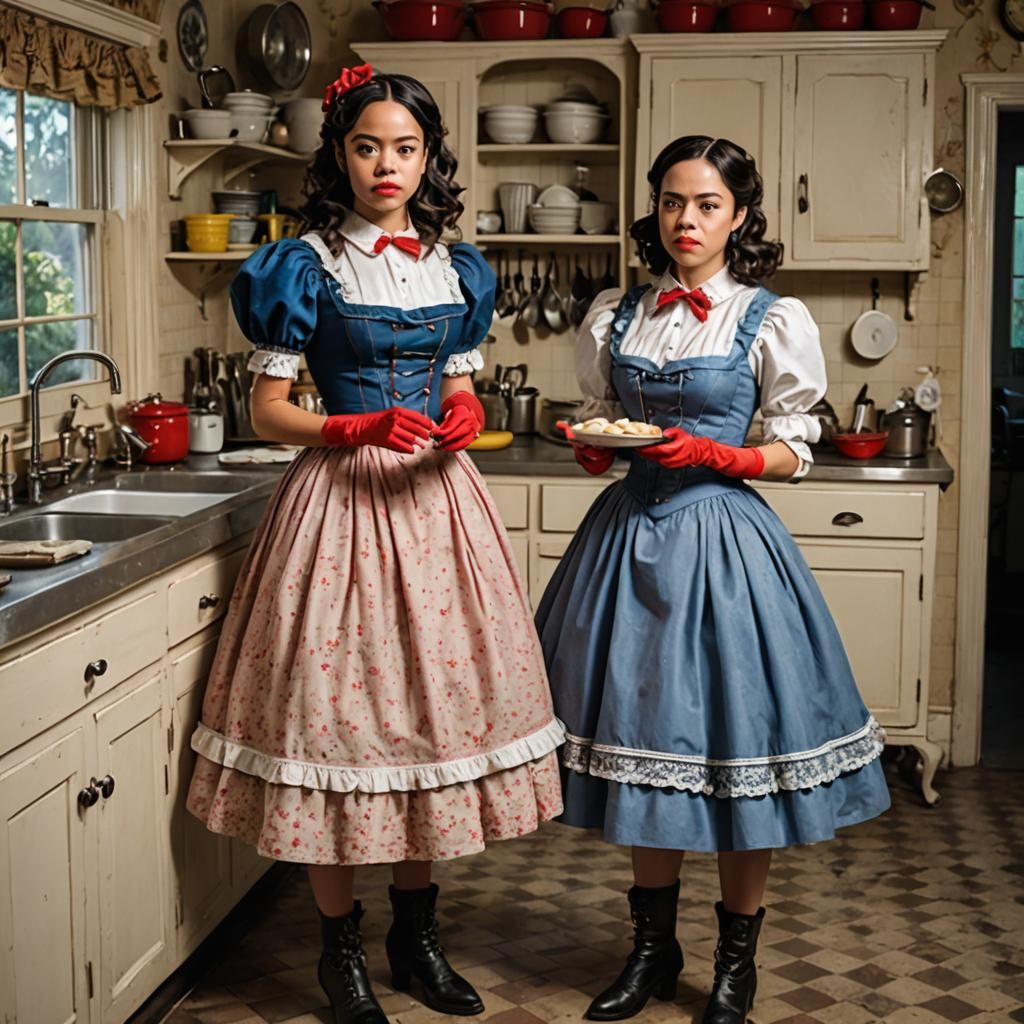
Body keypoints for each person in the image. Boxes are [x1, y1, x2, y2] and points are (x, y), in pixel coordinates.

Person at [186, 64, 564, 1024]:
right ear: (340, 155)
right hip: (340, 511)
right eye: (367, 146)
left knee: (429, 720)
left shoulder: (456, 269)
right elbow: (268, 411)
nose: (386, 166)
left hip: (439, 509)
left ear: (429, 156)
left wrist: (464, 401)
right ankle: (339, 948)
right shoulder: (302, 265)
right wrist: (346, 428)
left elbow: (453, 387)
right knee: (338, 722)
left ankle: (417, 932)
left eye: (405, 147)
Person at [535, 135, 891, 1024]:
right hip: (626, 542)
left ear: (739, 217)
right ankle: (652, 951)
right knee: (643, 750)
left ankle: (738, 962)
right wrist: (592, 450)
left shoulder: (771, 317)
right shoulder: (617, 311)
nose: (685, 221)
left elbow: (794, 450)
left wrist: (723, 455)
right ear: (653, 211)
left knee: (737, 754)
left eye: (706, 205)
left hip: (724, 546)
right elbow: (598, 419)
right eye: (670, 203)